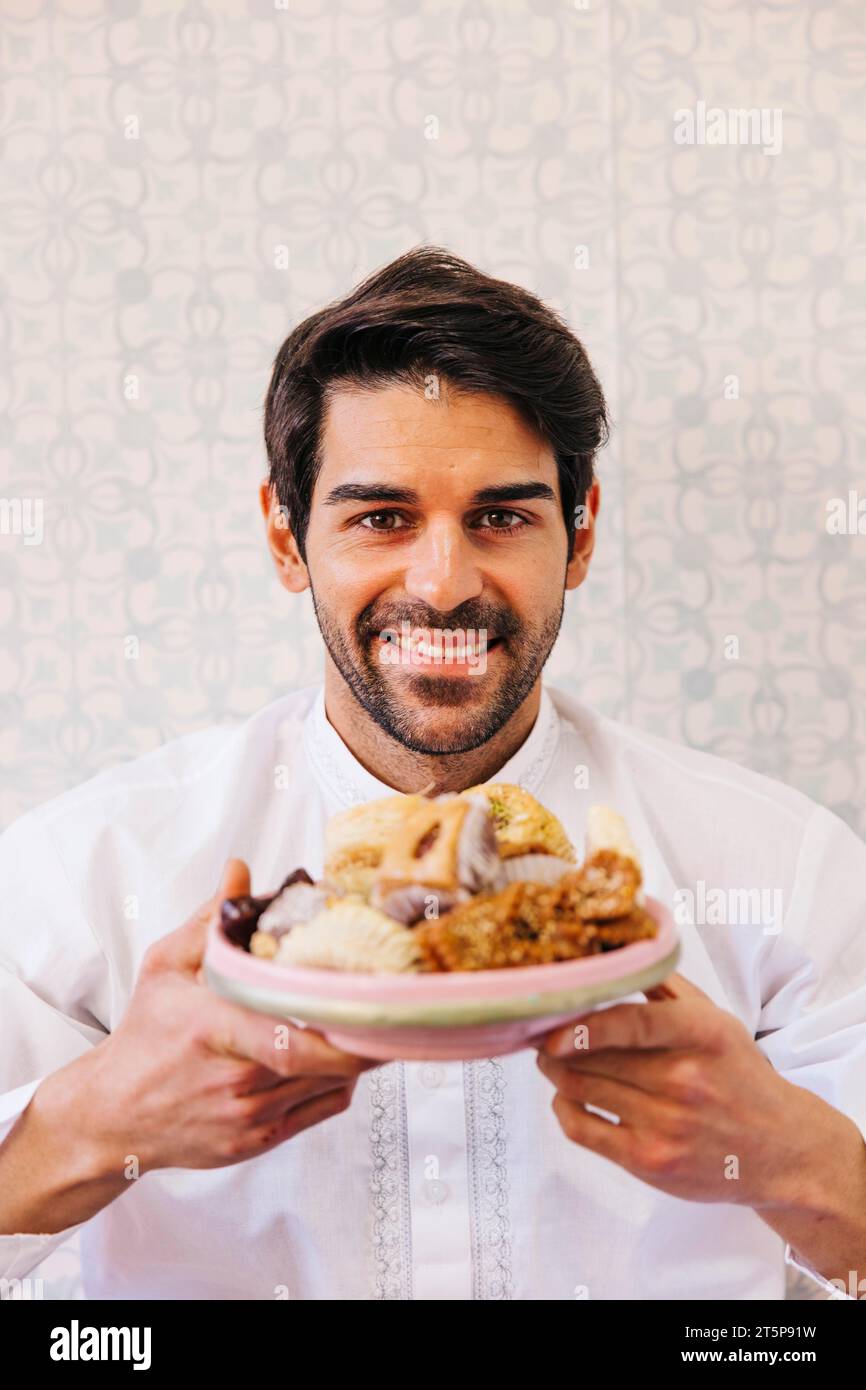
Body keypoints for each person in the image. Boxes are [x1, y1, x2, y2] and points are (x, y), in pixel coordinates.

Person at [1, 247, 864, 1302]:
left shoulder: (786, 869)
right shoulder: (78, 879)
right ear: (285, 536)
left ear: (579, 535)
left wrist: (791, 1158)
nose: (443, 583)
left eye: (501, 516)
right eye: (380, 517)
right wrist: (91, 1126)